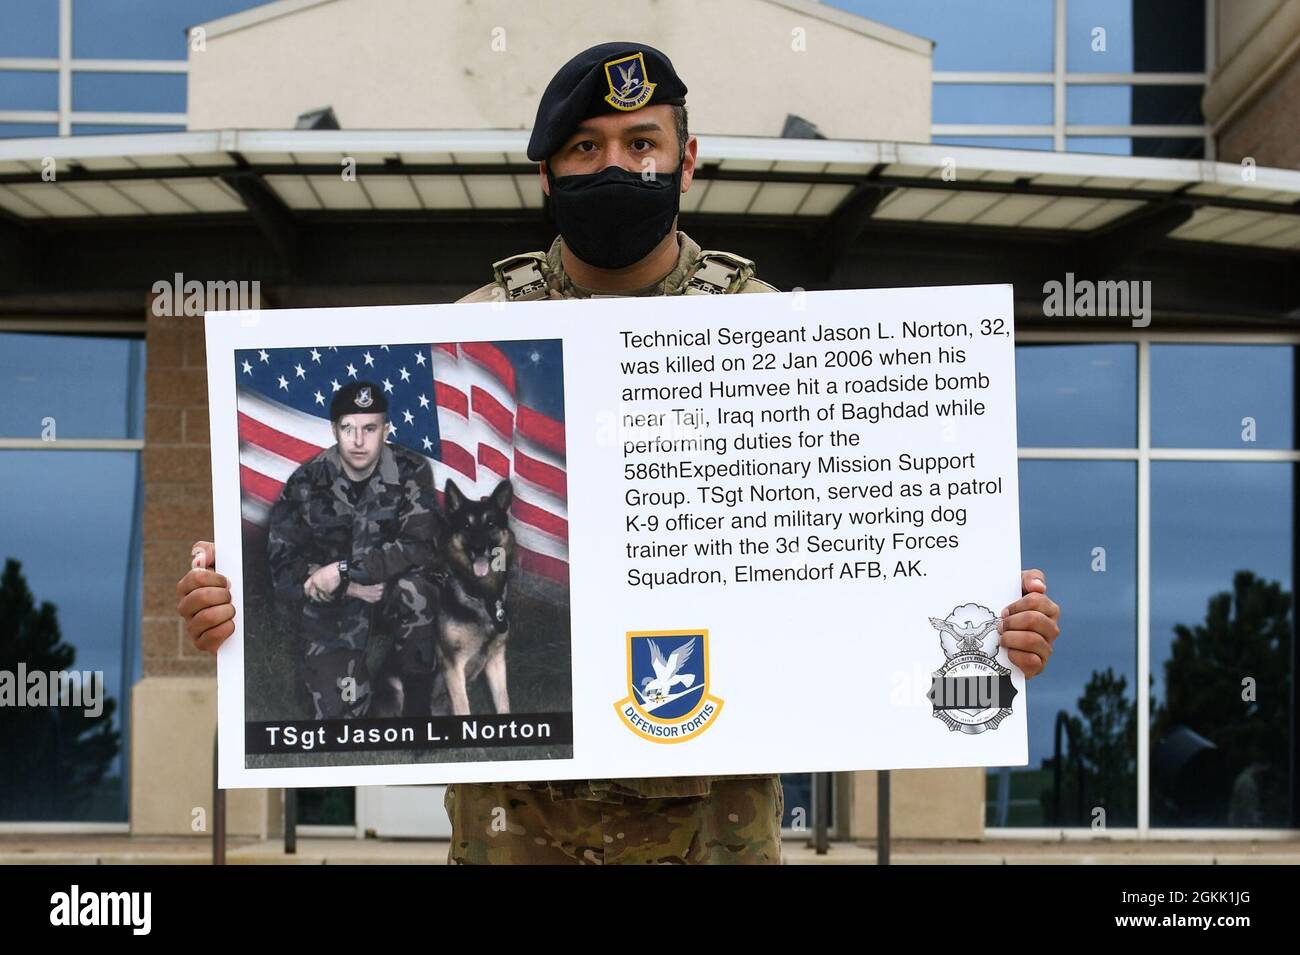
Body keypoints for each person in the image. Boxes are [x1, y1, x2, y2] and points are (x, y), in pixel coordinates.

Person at [176, 41, 1063, 865]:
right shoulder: (474, 336)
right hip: (519, 827)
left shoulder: (781, 337)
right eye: (586, 148)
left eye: (643, 141)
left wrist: (987, 631)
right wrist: (243, 602)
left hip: (716, 825)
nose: (617, 166)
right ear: (547, 174)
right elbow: (400, 538)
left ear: (688, 159)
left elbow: (868, 559)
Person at [264, 380, 439, 719]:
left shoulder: (411, 471)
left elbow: (418, 547)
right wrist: (346, 584)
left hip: (390, 589)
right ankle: (354, 695)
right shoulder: (306, 481)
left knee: (417, 591)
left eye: (369, 428)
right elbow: (283, 567)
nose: (358, 441)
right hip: (333, 601)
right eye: (348, 428)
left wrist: (343, 569)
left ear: (386, 429)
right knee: (338, 723)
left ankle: (418, 703)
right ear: (334, 429)